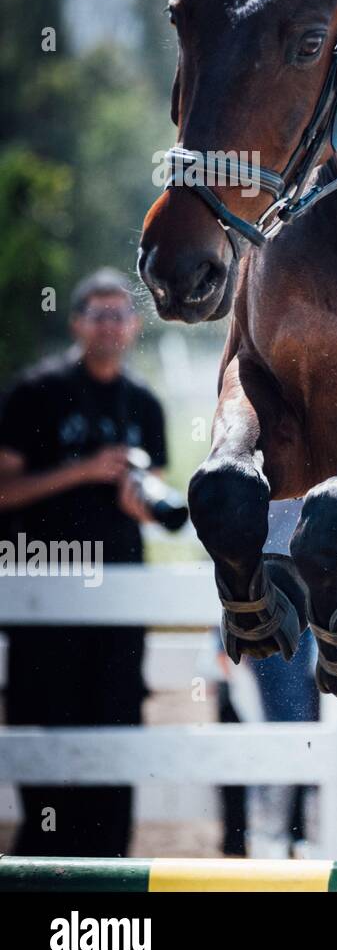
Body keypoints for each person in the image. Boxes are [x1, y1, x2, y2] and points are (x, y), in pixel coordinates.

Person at [0, 268, 167, 857]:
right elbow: (4, 490)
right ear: (76, 322)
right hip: (45, 594)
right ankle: (41, 866)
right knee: (45, 725)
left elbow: (158, 501)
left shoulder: (143, 401)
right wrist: (85, 469)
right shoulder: (35, 391)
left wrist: (135, 500)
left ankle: (109, 870)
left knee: (118, 725)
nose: (110, 325)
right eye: (97, 313)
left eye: (120, 313)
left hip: (121, 600)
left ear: (134, 326)